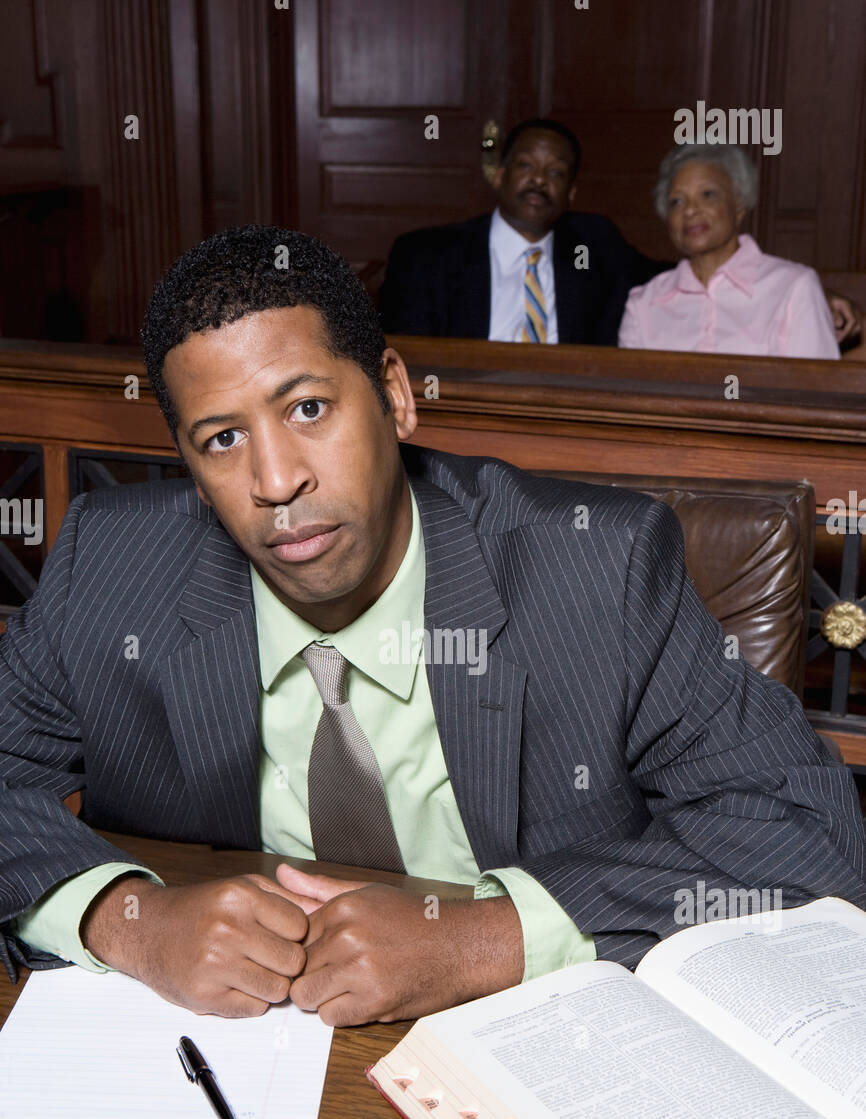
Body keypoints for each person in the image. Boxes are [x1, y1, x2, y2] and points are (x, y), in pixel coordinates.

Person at [1, 225, 864, 1027]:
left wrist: (488, 937)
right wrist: (130, 919)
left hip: (535, 1043)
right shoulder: (110, 567)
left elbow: (811, 832)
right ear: (190, 469)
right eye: (223, 439)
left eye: (307, 409)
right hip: (242, 1057)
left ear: (395, 397)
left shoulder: (596, 569)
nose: (275, 480)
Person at [379, 118, 859, 347]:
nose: (540, 180)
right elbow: (400, 369)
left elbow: (691, 267)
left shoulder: (595, 246)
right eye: (526, 165)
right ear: (499, 175)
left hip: (571, 438)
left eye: (556, 172)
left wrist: (814, 289)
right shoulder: (426, 256)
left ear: (572, 192)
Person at [618, 145, 840, 357]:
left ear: (739, 206)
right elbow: (630, 395)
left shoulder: (792, 288)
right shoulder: (644, 305)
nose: (690, 210)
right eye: (676, 201)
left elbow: (815, 391)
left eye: (708, 195)